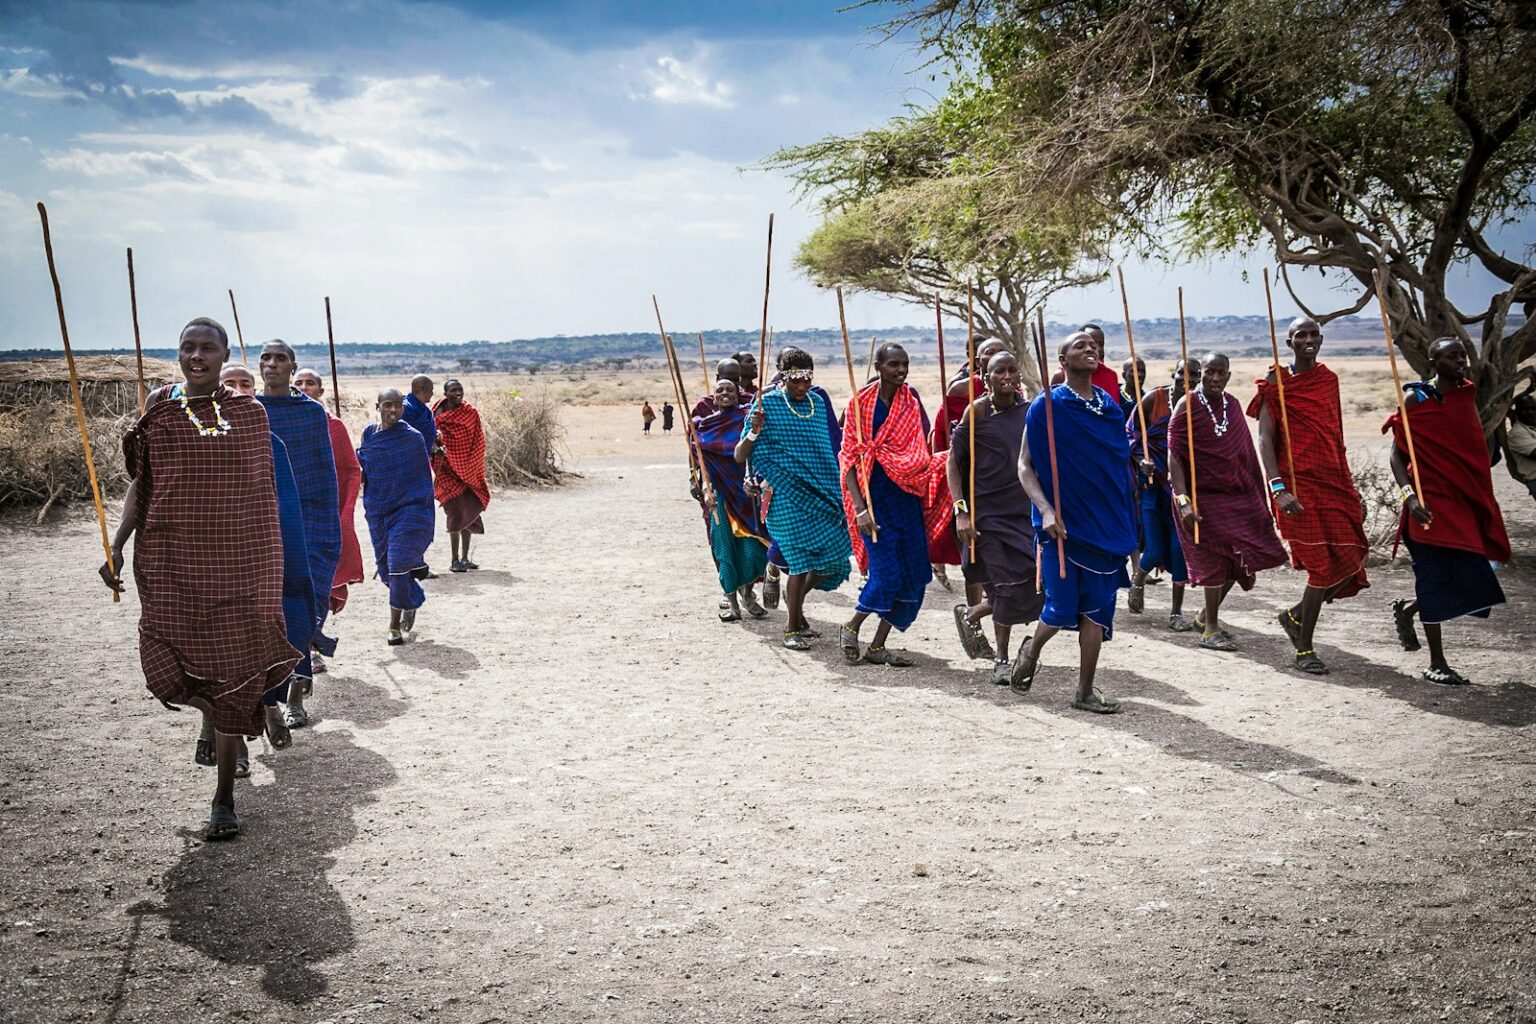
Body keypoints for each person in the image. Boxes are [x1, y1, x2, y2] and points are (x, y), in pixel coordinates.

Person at [99, 318, 300, 840]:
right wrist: (116, 544)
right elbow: (143, 485)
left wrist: (267, 568)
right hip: (171, 563)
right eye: (187, 347)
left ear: (224, 355)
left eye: (207, 348)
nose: (196, 356)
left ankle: (223, 800)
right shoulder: (160, 410)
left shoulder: (249, 415)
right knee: (163, 670)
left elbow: (261, 497)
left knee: (232, 675)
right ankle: (216, 710)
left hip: (237, 565)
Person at [1009, 331, 1137, 713]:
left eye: (1093, 345)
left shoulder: (1109, 407)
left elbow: (1116, 465)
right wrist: (1046, 510)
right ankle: (1032, 650)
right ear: (1062, 361)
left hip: (1105, 525)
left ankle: (1084, 691)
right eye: (1079, 346)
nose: (1090, 348)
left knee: (1097, 609)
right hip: (1062, 525)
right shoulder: (1047, 406)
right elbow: (1024, 466)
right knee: (1061, 607)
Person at [1384, 338, 1511, 684]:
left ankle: (1410, 608)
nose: (1461, 362)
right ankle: (1436, 663)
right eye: (1452, 356)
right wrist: (1411, 498)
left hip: (1463, 502)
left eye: (1462, 356)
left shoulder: (1466, 394)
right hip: (1428, 506)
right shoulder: (1417, 399)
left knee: (1473, 573)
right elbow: (1396, 456)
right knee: (1432, 577)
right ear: (1433, 362)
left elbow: (1469, 449)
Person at [1247, 317, 1370, 675]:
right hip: (1295, 486)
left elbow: (1335, 434)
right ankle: (1305, 649)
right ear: (1289, 343)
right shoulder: (1276, 381)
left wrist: (1348, 484)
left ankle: (1295, 615)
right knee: (1320, 567)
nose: (1309, 339)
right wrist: (1277, 487)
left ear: (1322, 339)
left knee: (1351, 558)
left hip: (1333, 481)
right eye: (1301, 335)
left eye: (1314, 334)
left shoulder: (1328, 380)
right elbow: (1265, 438)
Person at [837, 343, 949, 667]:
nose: (901, 370)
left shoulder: (910, 401)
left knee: (913, 573)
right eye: (894, 364)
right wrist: (860, 509)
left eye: (905, 364)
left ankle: (877, 646)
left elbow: (918, 451)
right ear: (879, 366)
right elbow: (849, 461)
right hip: (874, 503)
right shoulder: (860, 404)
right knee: (886, 574)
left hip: (907, 499)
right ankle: (851, 626)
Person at [1167, 352, 1288, 651]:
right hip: (1201, 497)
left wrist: (1255, 493)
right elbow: (1174, 456)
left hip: (1235, 495)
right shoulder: (1187, 405)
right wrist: (1183, 501)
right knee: (1214, 562)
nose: (1215, 378)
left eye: (1221, 373)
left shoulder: (1231, 404)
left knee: (1238, 559)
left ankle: (1204, 616)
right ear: (1201, 374)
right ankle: (1210, 629)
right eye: (1210, 372)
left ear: (1229, 376)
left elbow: (1243, 452)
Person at [735, 349, 852, 650]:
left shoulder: (817, 403)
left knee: (835, 558)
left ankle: (795, 604)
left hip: (822, 493)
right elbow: (740, 454)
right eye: (796, 380)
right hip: (784, 494)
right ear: (783, 377)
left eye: (807, 379)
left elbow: (826, 449)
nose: (802, 386)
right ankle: (791, 629)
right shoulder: (767, 404)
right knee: (799, 563)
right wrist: (754, 432)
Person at [256, 341, 340, 726]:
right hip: (262, 527)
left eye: (280, 359)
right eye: (266, 358)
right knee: (267, 616)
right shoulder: (249, 412)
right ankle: (268, 701)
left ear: (292, 367)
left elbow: (325, 477)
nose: (272, 364)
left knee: (302, 610)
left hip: (309, 527)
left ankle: (295, 698)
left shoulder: (311, 414)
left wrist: (327, 533)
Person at [948, 351, 1044, 684]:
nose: (1007, 376)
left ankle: (973, 613)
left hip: (1022, 512)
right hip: (985, 516)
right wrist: (961, 511)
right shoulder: (976, 412)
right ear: (985, 378)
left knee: (1035, 581)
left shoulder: (1030, 411)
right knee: (1003, 587)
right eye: (998, 371)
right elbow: (953, 462)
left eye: (1012, 370)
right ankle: (1002, 660)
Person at [358, 388, 436, 645]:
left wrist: (421, 509)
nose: (393, 410)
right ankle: (409, 599)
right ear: (377, 406)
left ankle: (393, 625)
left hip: (409, 509)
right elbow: (366, 467)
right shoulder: (369, 433)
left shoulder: (413, 437)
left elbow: (423, 478)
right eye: (387, 405)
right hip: (378, 510)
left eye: (398, 405)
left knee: (398, 562)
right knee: (386, 570)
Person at [1126, 359, 1197, 630]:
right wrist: (1140, 459)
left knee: (1179, 551)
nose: (1187, 381)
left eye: (1194, 376)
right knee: (1154, 550)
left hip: (1181, 491)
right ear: (1173, 374)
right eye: (1182, 374)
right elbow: (1130, 433)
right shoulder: (1153, 399)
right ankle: (1138, 579)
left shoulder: (1197, 406)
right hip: (1152, 487)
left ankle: (1176, 613)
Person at [694, 378, 770, 621]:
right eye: (720, 390)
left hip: (747, 493)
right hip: (720, 496)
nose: (725, 393)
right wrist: (705, 489)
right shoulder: (703, 426)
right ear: (713, 398)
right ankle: (732, 602)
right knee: (725, 549)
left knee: (753, 550)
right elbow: (701, 465)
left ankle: (747, 595)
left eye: (730, 390)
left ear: (738, 396)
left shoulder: (747, 418)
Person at [293, 369, 364, 626]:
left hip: (324, 516)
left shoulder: (334, 426)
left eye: (310, 383)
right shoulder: (278, 421)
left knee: (320, 580)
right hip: (291, 514)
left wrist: (345, 514)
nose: (304, 387)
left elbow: (351, 470)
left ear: (320, 391)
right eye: (298, 383)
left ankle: (314, 637)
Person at [432, 378, 490, 572]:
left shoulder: (470, 413)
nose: (458, 393)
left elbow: (478, 440)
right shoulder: (436, 415)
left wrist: (471, 467)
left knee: (469, 512)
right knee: (456, 513)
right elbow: (432, 440)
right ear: (445, 394)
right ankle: (454, 560)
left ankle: (465, 558)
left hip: (469, 471)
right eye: (453, 390)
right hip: (447, 472)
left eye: (460, 389)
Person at [1050, 323, 1123, 403]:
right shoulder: (1061, 375)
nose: (1097, 349)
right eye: (1081, 346)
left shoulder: (1110, 375)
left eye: (1101, 344)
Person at [1504, 393, 1536, 499]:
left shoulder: (1532, 428)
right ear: (1517, 412)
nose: (1530, 412)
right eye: (1525, 409)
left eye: (1533, 408)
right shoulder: (1517, 433)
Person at [402, 375, 439, 455]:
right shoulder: (406, 408)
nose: (432, 393)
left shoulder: (424, 409)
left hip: (422, 456)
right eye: (431, 390)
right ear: (425, 390)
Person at [1120, 357, 1147, 421]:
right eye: (1134, 371)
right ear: (1124, 375)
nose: (1140, 375)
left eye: (1143, 371)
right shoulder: (1114, 398)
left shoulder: (1147, 399)